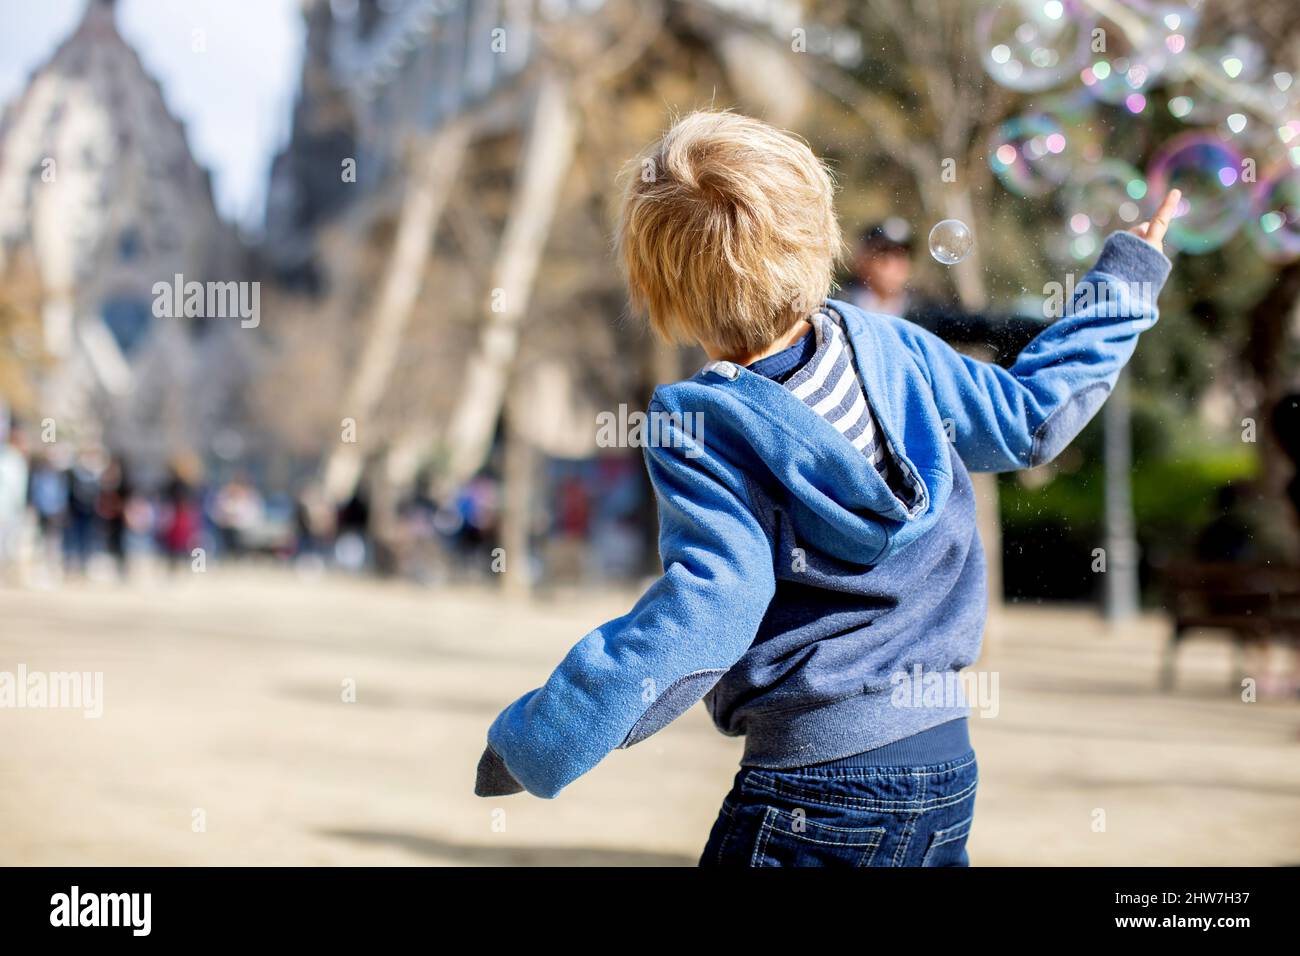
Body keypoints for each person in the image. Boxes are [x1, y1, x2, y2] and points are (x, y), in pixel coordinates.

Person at [474, 111, 1178, 868]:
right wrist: (1120, 284)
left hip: (813, 791)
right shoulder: (891, 344)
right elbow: (1032, 417)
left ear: (659, 285)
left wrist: (541, 742)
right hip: (940, 766)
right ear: (820, 236)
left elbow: (708, 614)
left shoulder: (699, 421)